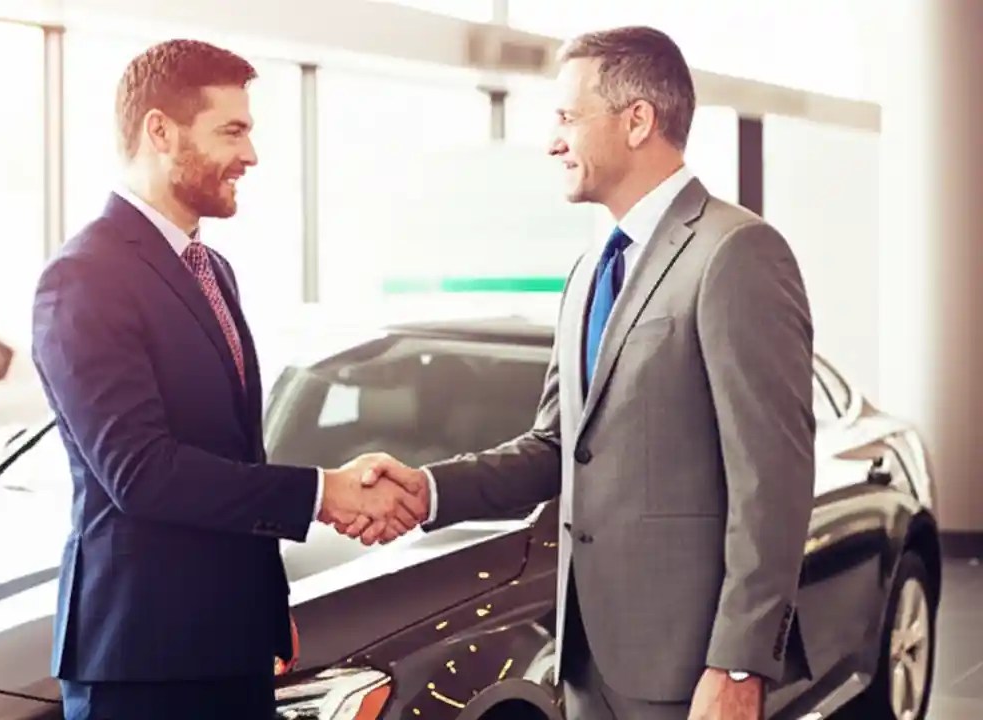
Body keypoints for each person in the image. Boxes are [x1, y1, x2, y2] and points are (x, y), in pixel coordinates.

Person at [349, 25, 815, 720]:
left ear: (637, 121)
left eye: (568, 117)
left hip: (688, 667)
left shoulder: (736, 252)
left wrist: (739, 662)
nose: (552, 140)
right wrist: (427, 489)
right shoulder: (589, 272)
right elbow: (557, 447)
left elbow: (770, 480)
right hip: (586, 656)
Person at [31, 39, 425, 720]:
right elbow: (142, 473)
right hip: (142, 665)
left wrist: (262, 609)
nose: (251, 155)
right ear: (160, 131)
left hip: (226, 646)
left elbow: (234, 455)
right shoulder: (84, 277)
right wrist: (324, 493)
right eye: (232, 130)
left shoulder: (211, 269)